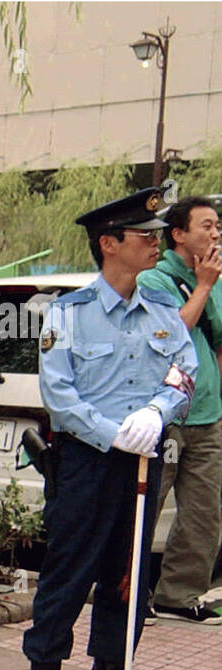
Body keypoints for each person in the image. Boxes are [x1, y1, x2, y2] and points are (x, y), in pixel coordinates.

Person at [17, 188, 197, 670]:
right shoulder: (69, 313)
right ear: (109, 244)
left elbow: (184, 372)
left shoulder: (162, 310)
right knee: (69, 568)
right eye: (145, 236)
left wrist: (159, 411)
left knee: (130, 570)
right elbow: (59, 394)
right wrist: (112, 431)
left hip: (143, 459)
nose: (156, 244)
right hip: (86, 460)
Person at [138, 195, 222, 625]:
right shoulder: (155, 279)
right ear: (179, 234)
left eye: (218, 226)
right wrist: (203, 286)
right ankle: (127, 591)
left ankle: (179, 594)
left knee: (205, 512)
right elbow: (171, 334)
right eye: (206, 226)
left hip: (207, 415)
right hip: (166, 416)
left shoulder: (215, 278)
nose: (216, 234)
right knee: (146, 505)